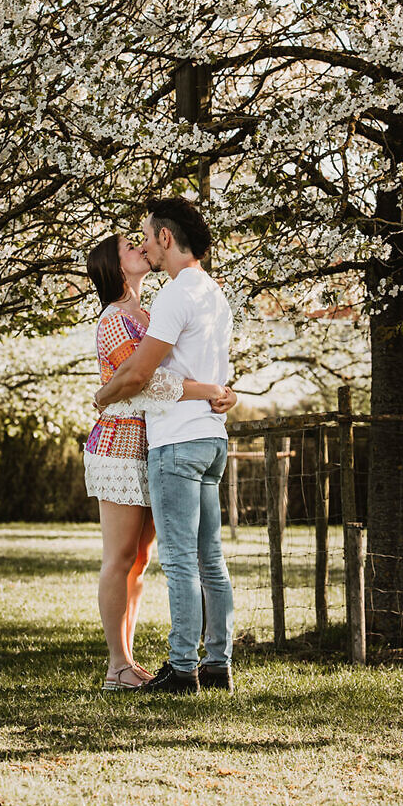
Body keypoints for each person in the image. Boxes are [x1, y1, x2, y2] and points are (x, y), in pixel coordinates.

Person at [94, 197, 236, 694]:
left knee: (173, 559)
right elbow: (172, 372)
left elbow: (142, 375)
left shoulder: (172, 298)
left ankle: (183, 668)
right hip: (177, 439)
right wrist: (218, 390)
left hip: (175, 439)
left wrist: (104, 393)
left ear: (166, 239)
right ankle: (201, 663)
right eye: (130, 244)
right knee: (195, 559)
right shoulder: (210, 293)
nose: (142, 245)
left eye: (146, 237)